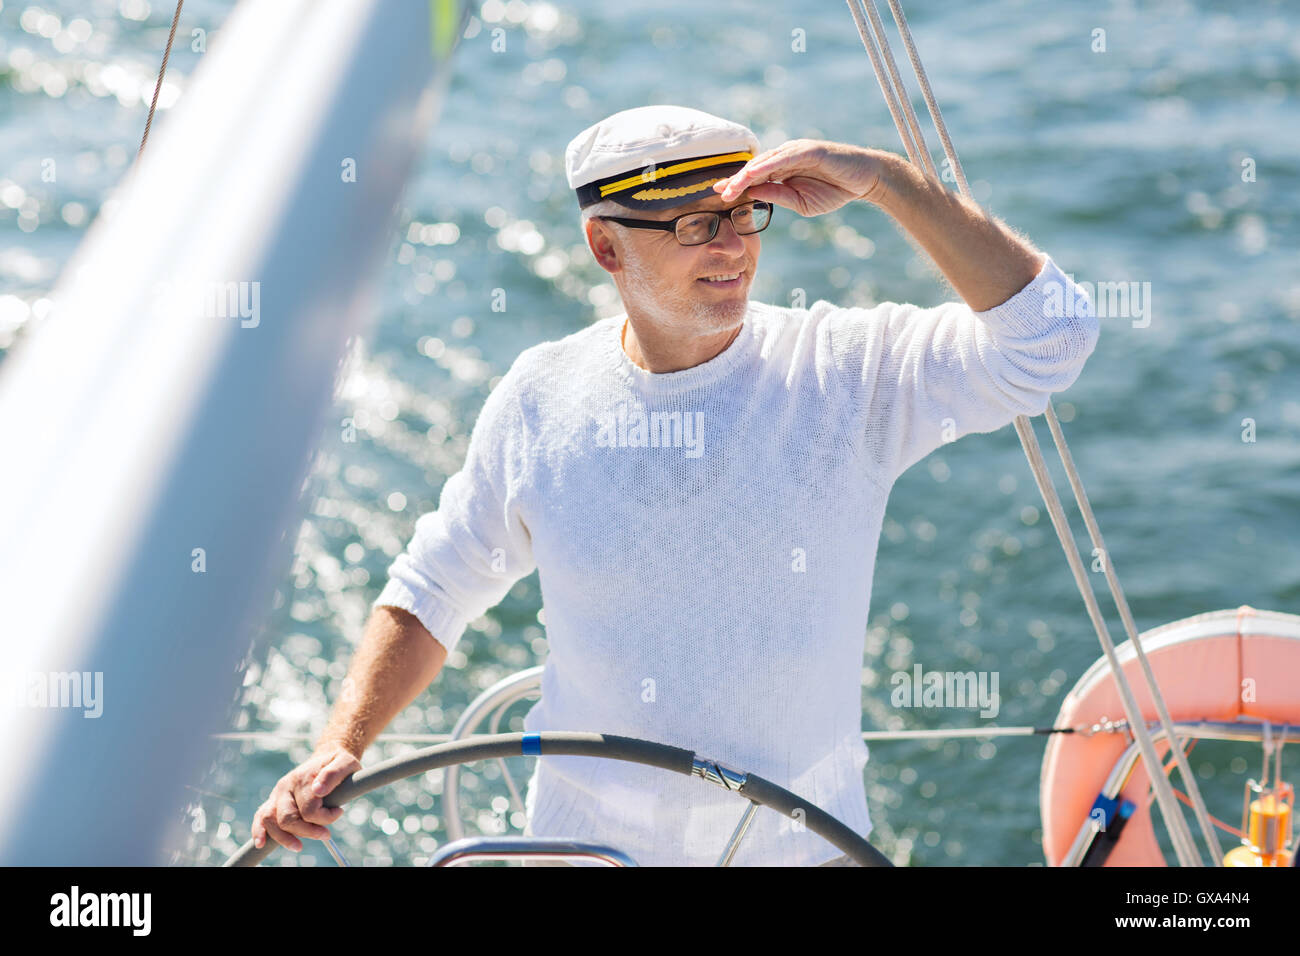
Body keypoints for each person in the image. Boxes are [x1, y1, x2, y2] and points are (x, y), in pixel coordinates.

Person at [250, 104, 1099, 866]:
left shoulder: (845, 372)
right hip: (581, 853)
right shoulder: (541, 395)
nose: (733, 247)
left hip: (802, 849)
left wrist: (890, 183)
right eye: (695, 225)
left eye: (741, 215)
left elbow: (1050, 341)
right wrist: (341, 743)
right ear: (605, 246)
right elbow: (433, 588)